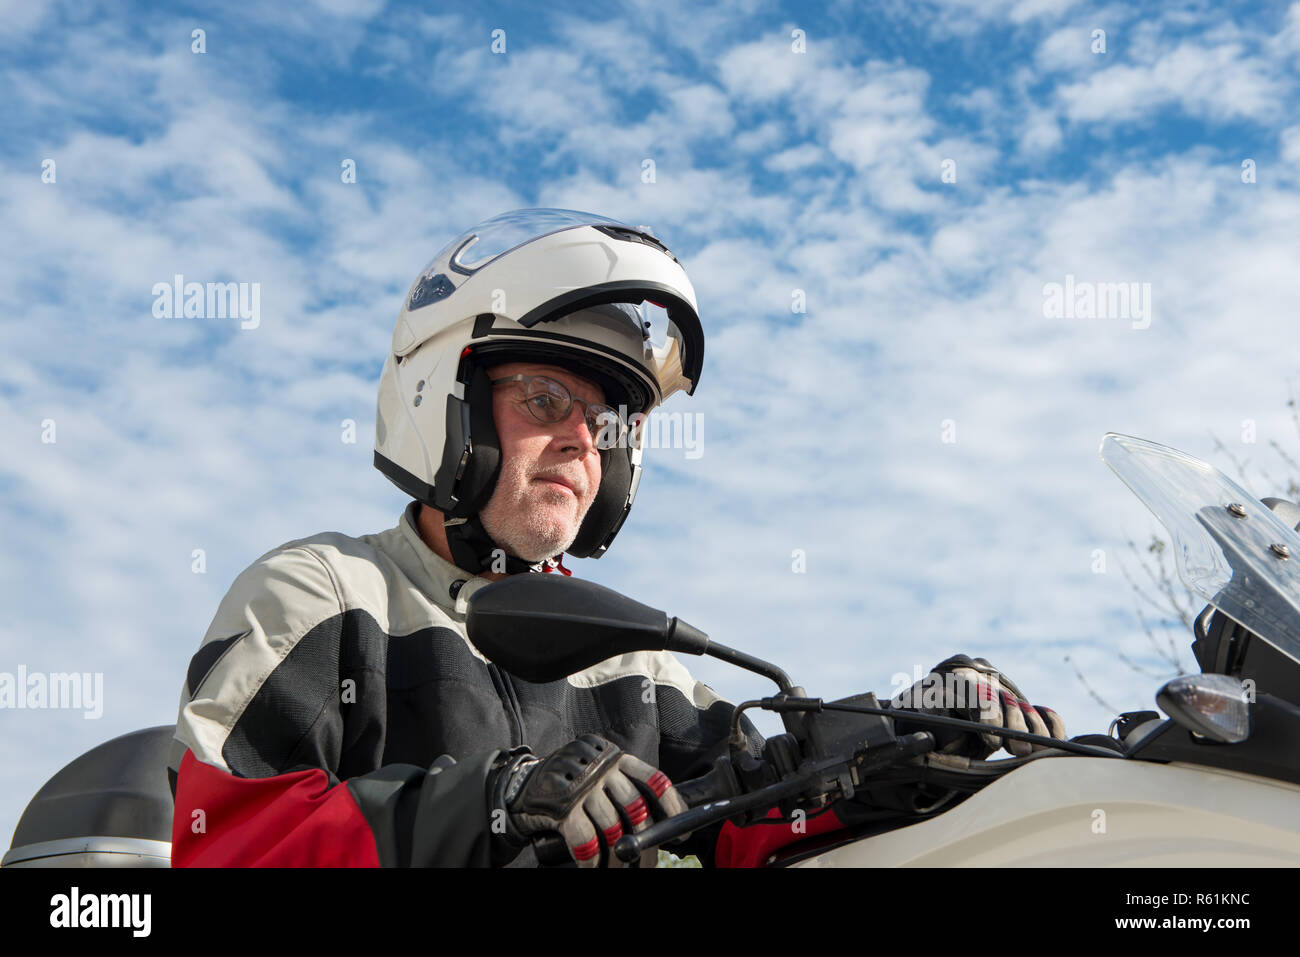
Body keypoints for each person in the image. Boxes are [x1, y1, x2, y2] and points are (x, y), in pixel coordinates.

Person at [167, 208, 1065, 868]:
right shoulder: (324, 595)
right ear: (448, 404)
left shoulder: (638, 665)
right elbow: (215, 838)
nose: (581, 441)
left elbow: (752, 818)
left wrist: (898, 742)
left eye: (609, 425)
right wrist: (488, 801)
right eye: (546, 401)